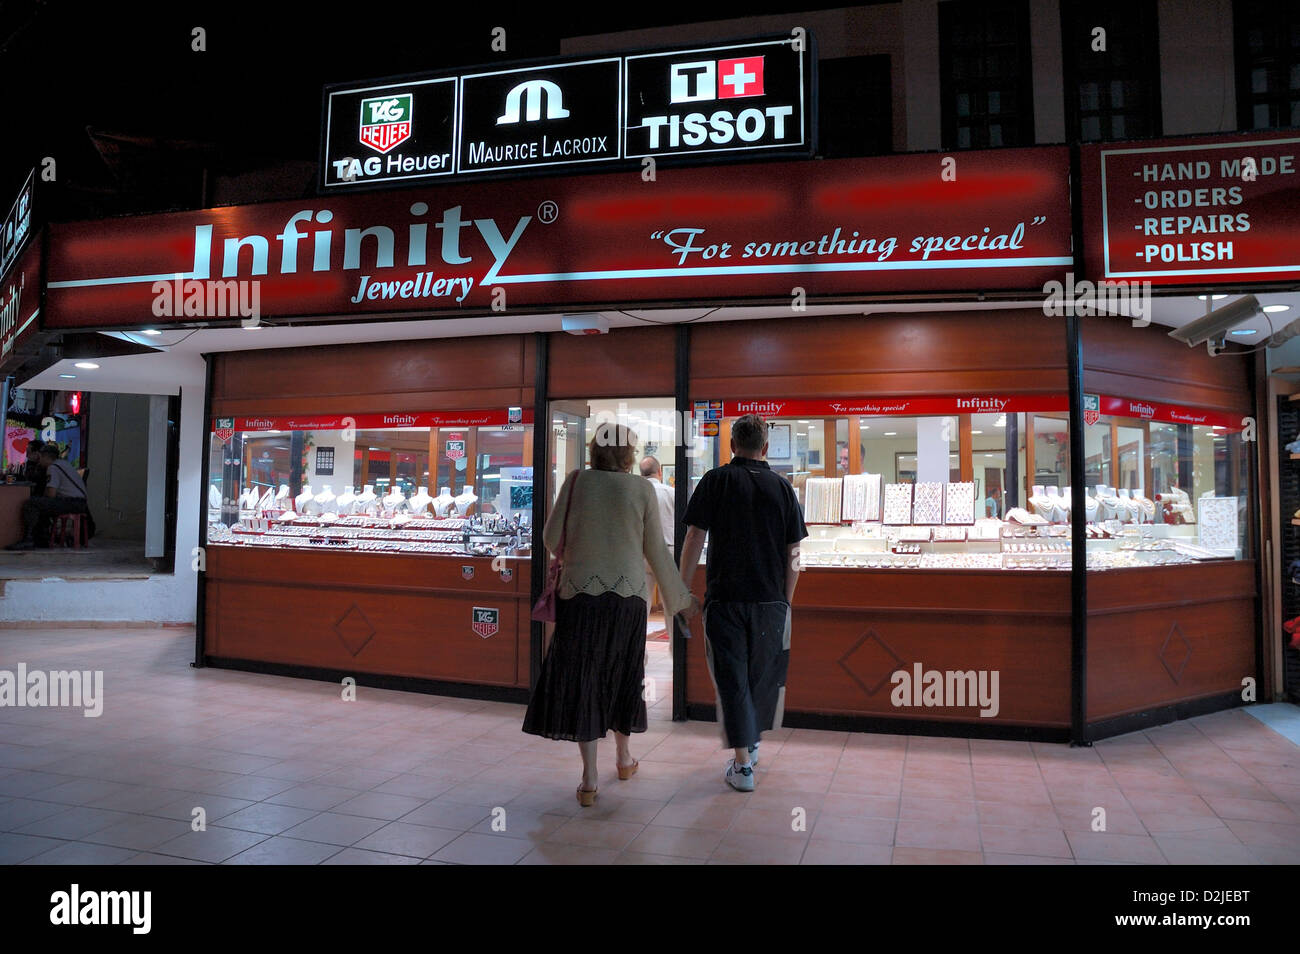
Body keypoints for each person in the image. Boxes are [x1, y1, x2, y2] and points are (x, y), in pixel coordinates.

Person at [523, 424, 698, 807]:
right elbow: (655, 550)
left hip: (578, 596)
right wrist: (679, 598)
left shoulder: (575, 482)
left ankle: (588, 780)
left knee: (583, 678)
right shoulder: (640, 489)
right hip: (628, 599)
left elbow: (551, 538)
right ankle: (622, 759)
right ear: (628, 454)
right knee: (624, 676)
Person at [679, 414, 808, 792]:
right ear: (765, 447)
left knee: (732, 679)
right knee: (760, 677)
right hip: (769, 600)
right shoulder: (783, 488)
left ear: (732, 445)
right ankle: (749, 746)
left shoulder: (715, 481)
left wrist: (682, 589)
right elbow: (795, 551)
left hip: (726, 599)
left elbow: (693, 538)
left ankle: (742, 764)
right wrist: (786, 599)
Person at [7, 445, 90, 550]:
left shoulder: (53, 468)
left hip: (73, 502)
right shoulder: (64, 464)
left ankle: (29, 539)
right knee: (41, 503)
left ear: (45, 457)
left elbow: (51, 494)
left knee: (32, 504)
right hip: (80, 503)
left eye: (40, 458)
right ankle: (42, 539)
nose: (39, 462)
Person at [639, 455, 676, 610]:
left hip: (642, 553)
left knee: (641, 604)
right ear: (659, 472)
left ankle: (639, 634)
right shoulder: (671, 493)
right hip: (667, 551)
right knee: (670, 607)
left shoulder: (636, 494)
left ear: (641, 474)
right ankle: (674, 634)